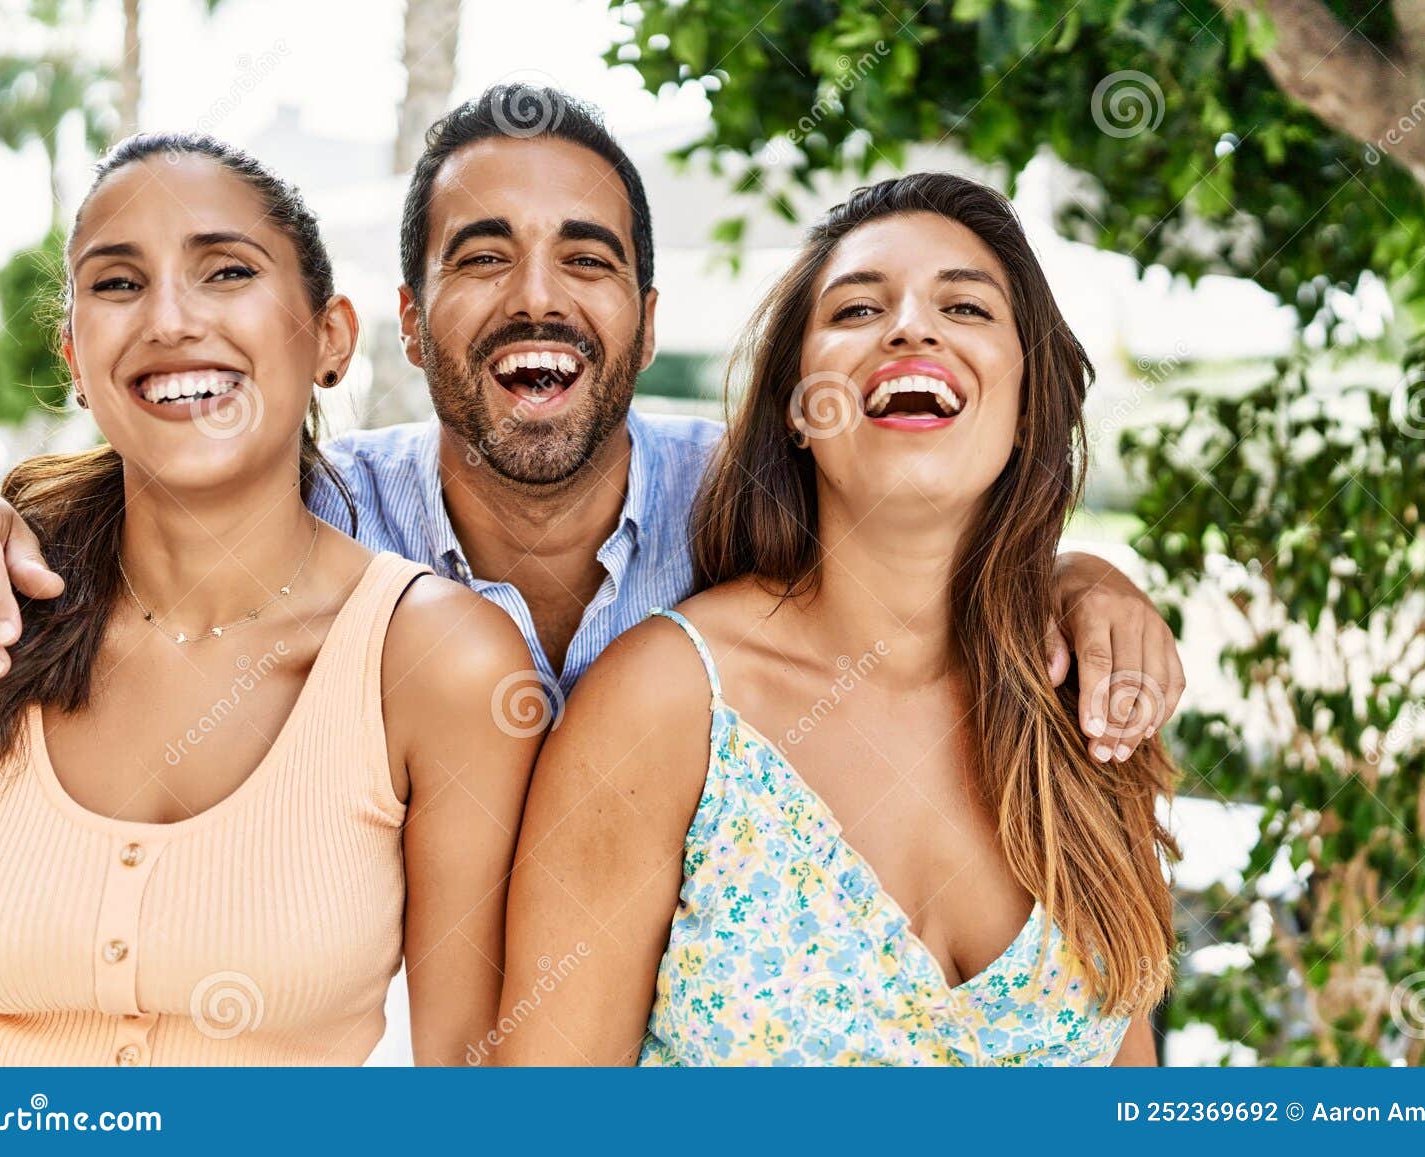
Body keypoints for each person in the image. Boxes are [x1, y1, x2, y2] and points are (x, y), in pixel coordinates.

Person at [0, 85, 1182, 770]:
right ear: (405, 315)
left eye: (588, 260)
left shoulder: (756, 502)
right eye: (483, 257)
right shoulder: (324, 522)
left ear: (646, 308)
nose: (539, 298)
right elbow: (128, 505)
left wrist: (1081, 575)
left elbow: (928, 530)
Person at [0, 134, 539, 1067]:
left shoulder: (440, 663)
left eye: (226, 270)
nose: (171, 319)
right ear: (75, 356)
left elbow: (467, 1084)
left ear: (331, 336)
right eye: (117, 284)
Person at [494, 172, 1179, 1066]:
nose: (910, 327)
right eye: (858, 309)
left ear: (1025, 408)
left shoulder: (1083, 704)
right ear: (799, 410)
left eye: (966, 308)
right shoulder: (669, 703)